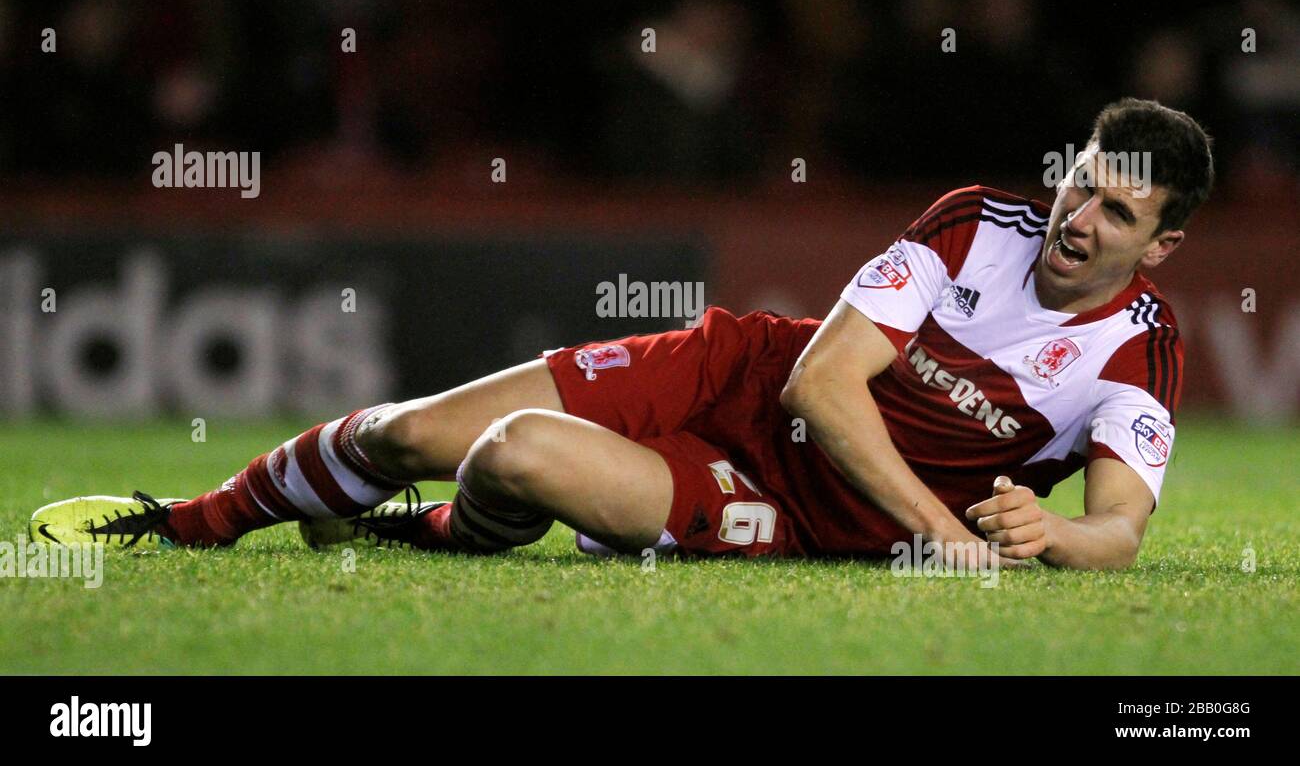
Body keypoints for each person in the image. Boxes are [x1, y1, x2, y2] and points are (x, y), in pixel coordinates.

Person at [31, 99, 1213, 571]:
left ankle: (443, 536)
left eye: (1116, 208)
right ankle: (189, 521)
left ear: (1156, 246)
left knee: (516, 457)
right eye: (1080, 182)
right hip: (740, 370)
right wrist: (936, 532)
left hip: (792, 514)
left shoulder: (1139, 354)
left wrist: (1056, 531)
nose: (1077, 213)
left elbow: (1120, 527)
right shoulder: (973, 225)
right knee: (409, 427)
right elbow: (819, 381)